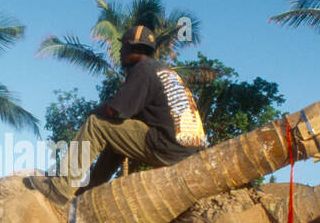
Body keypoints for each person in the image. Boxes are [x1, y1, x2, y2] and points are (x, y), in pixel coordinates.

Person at [31, 24, 205, 203]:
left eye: (123, 47)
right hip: (189, 149)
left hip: (169, 146)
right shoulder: (166, 72)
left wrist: (93, 112)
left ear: (133, 48)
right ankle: (89, 191)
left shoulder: (143, 69)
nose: (120, 52)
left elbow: (113, 110)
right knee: (116, 134)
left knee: (96, 124)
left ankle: (60, 188)